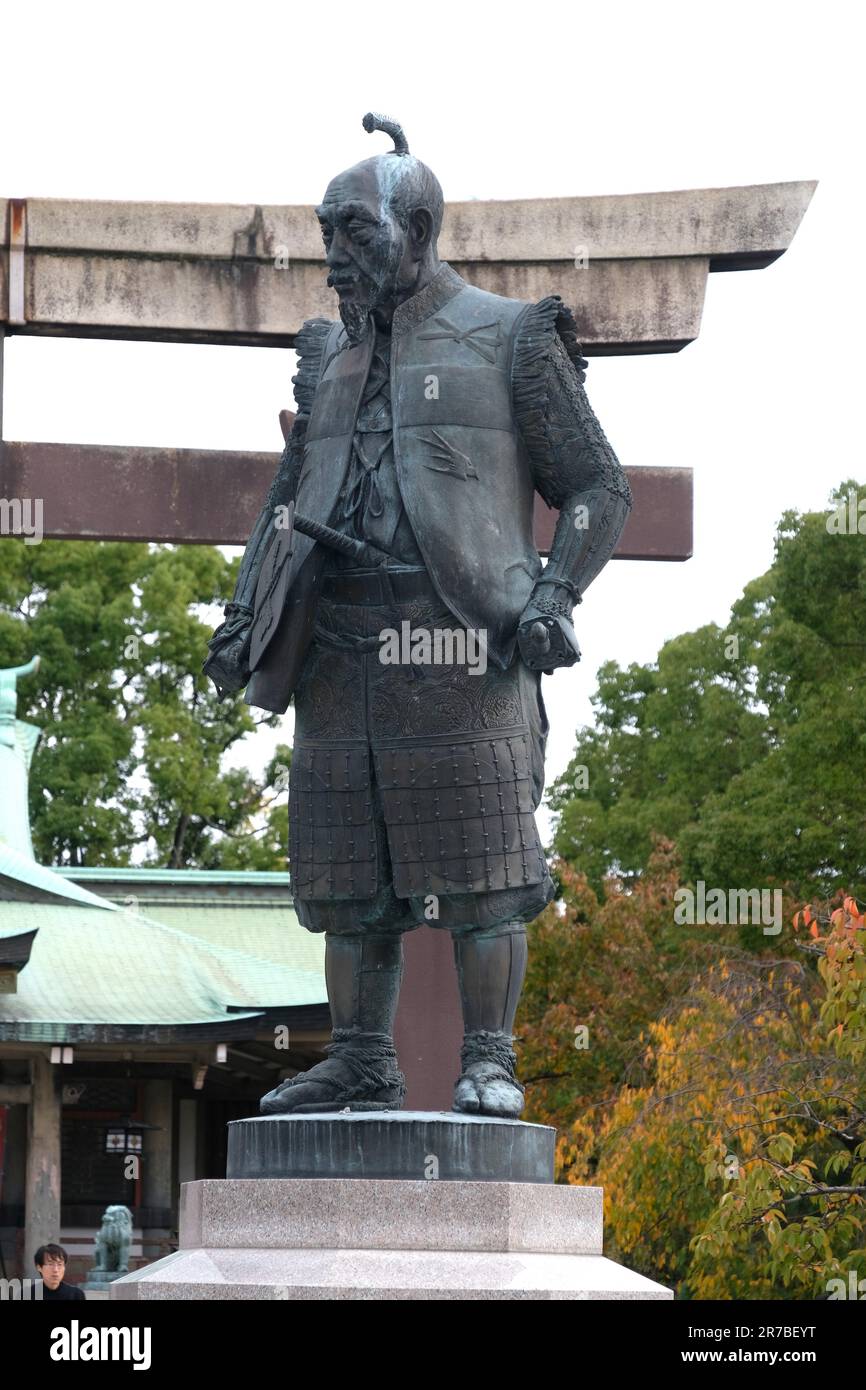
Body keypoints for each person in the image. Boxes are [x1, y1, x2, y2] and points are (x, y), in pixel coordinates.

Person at [205, 112, 632, 1119]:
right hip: (335, 648)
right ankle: (359, 1058)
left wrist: (550, 593)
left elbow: (596, 488)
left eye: (352, 233)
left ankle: (488, 1057)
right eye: (325, 237)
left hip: (459, 642)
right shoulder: (328, 354)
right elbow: (287, 490)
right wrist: (242, 612)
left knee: (484, 870)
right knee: (348, 884)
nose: (333, 263)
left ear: (419, 225)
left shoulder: (509, 335)